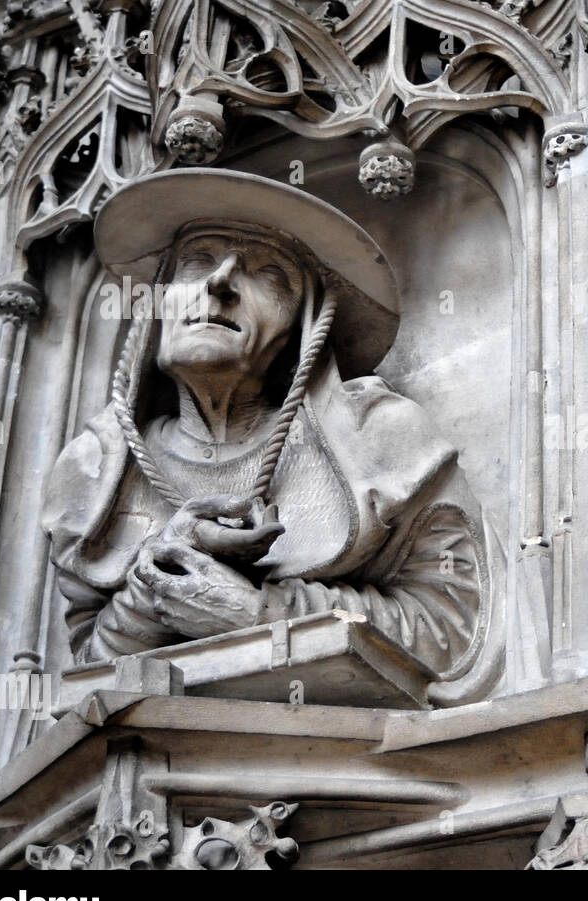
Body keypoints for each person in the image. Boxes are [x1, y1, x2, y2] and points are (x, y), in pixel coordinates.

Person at [41, 169, 501, 703]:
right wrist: (153, 588)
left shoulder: (381, 438)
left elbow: (454, 631)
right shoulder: (97, 471)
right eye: (197, 261)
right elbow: (84, 685)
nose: (219, 284)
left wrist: (262, 613)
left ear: (302, 329)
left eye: (270, 275)